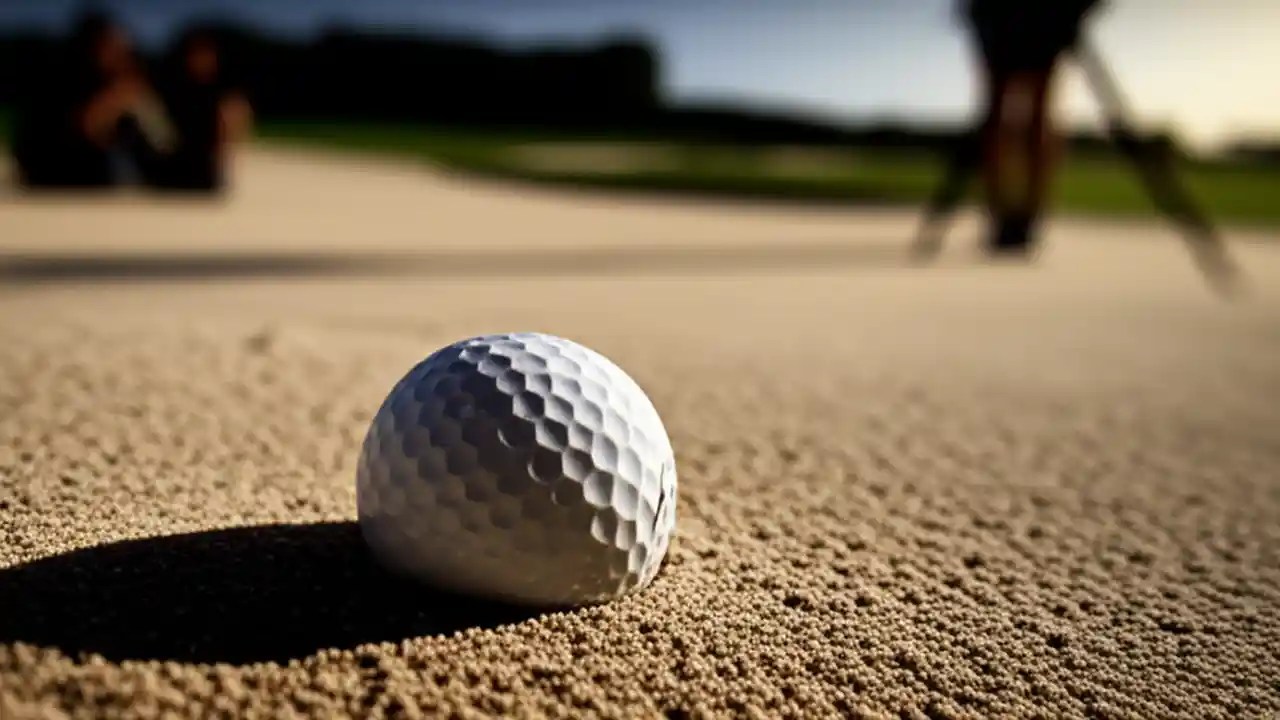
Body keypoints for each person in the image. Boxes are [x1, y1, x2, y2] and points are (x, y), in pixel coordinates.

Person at [962, 0, 1104, 254]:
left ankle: (1025, 212)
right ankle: (1006, 211)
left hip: (1041, 11)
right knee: (1009, 107)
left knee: (1026, 105)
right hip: (1015, 12)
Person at [11, 11, 174, 189]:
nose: (120, 57)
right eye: (111, 47)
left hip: (120, 200)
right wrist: (108, 106)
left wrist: (145, 109)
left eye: (125, 50)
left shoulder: (135, 92)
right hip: (62, 195)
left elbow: (165, 145)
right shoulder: (56, 91)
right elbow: (61, 147)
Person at [153, 27, 252, 193]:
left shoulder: (222, 94)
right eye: (198, 55)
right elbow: (162, 136)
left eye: (208, 55)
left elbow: (231, 136)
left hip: (203, 169)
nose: (204, 61)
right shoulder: (171, 89)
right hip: (171, 164)